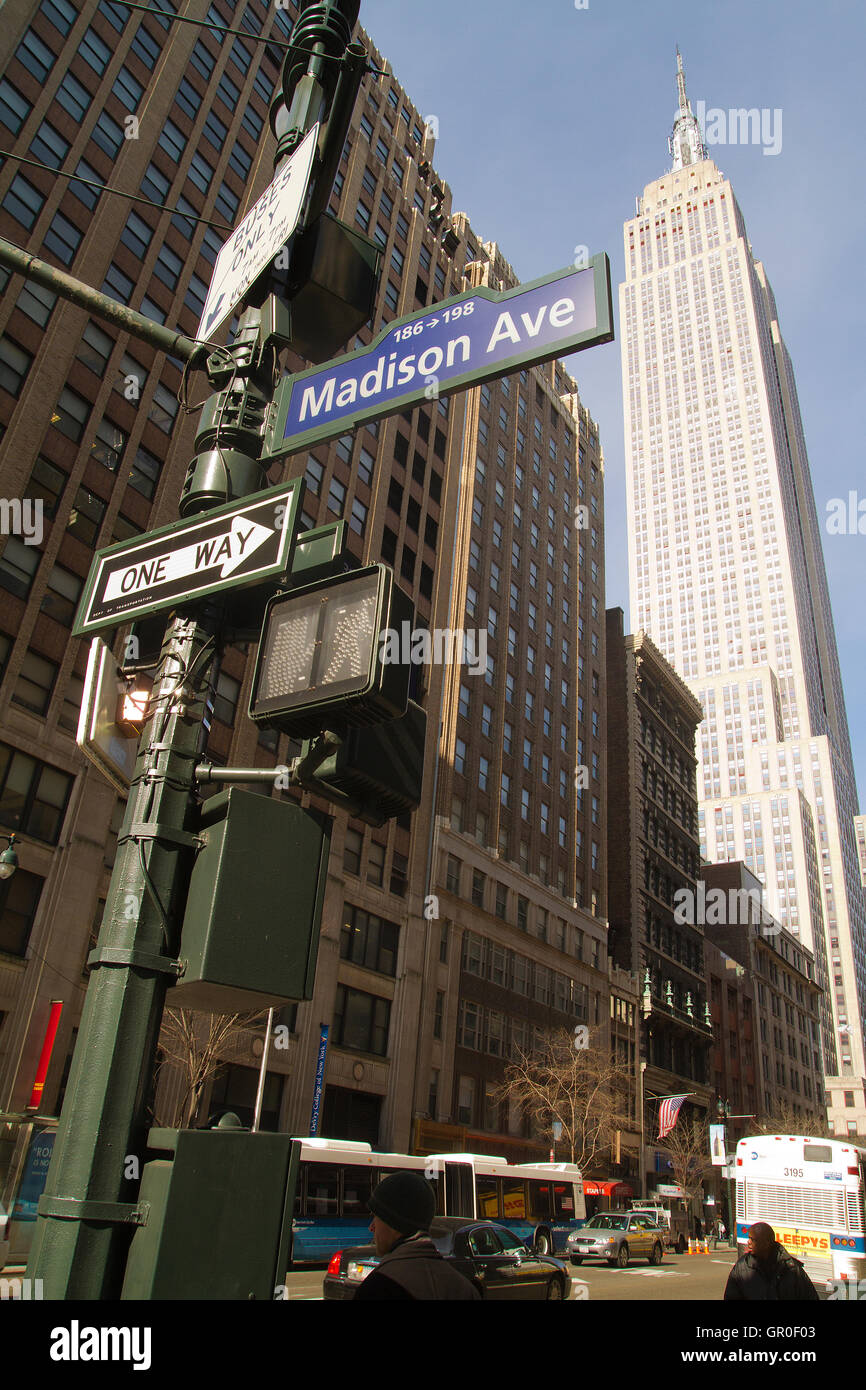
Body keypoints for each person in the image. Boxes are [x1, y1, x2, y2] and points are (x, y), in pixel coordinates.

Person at [352, 1171, 481, 1300]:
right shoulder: (465, 1289)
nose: (371, 1227)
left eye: (376, 1217)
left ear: (394, 1222)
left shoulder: (377, 1288)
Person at [723, 1221, 819, 1301]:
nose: (748, 1242)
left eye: (753, 1239)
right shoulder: (741, 1268)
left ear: (766, 1243)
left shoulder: (792, 1268)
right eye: (749, 1238)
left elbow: (810, 1296)